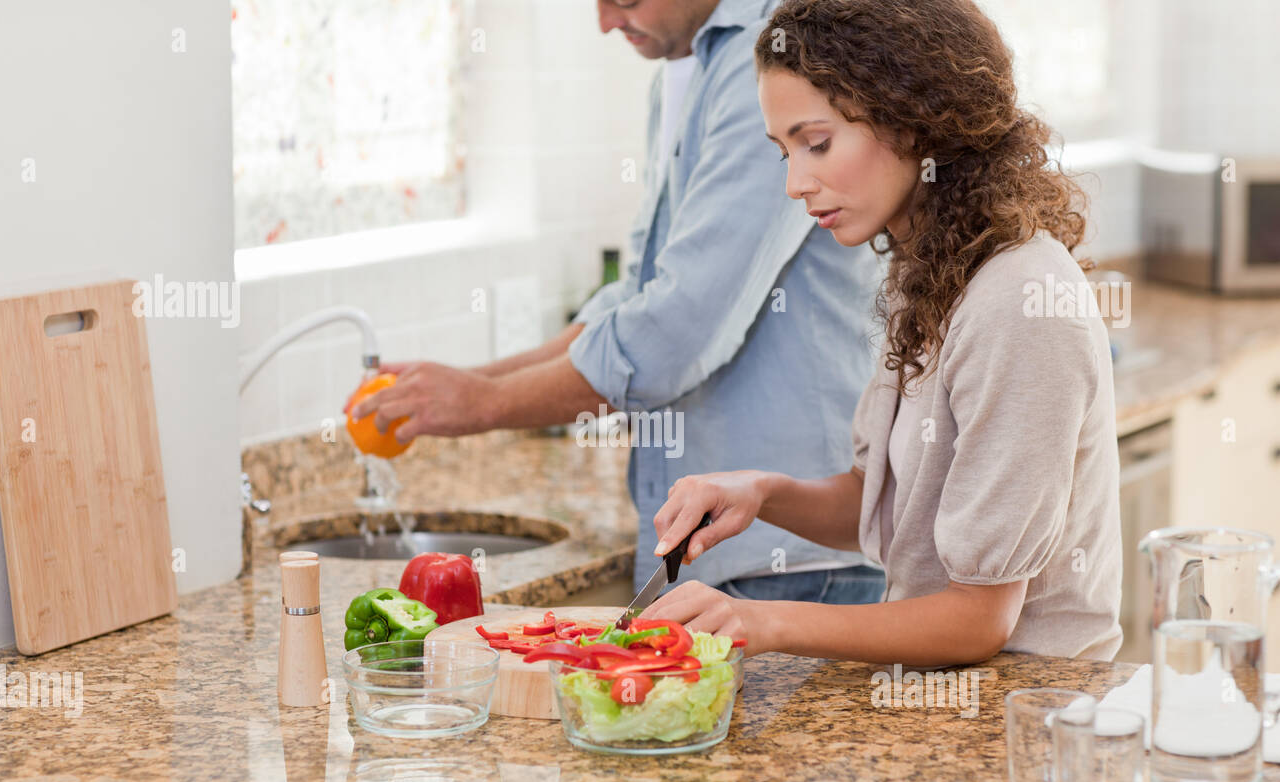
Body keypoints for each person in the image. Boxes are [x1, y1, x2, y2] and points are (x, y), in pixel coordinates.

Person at [351, 0, 887, 607]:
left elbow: (675, 330)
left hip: (792, 569)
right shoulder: (683, 73)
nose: (606, 22)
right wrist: (462, 384)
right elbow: (637, 294)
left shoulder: (771, 63)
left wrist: (485, 402)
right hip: (720, 562)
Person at [643, 0, 1123, 665]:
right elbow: (885, 507)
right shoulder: (928, 270)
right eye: (783, 152)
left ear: (914, 116)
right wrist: (760, 494)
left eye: (816, 144)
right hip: (951, 715)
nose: (794, 183)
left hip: (1025, 721)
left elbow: (978, 619)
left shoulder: (1017, 301)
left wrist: (762, 622)